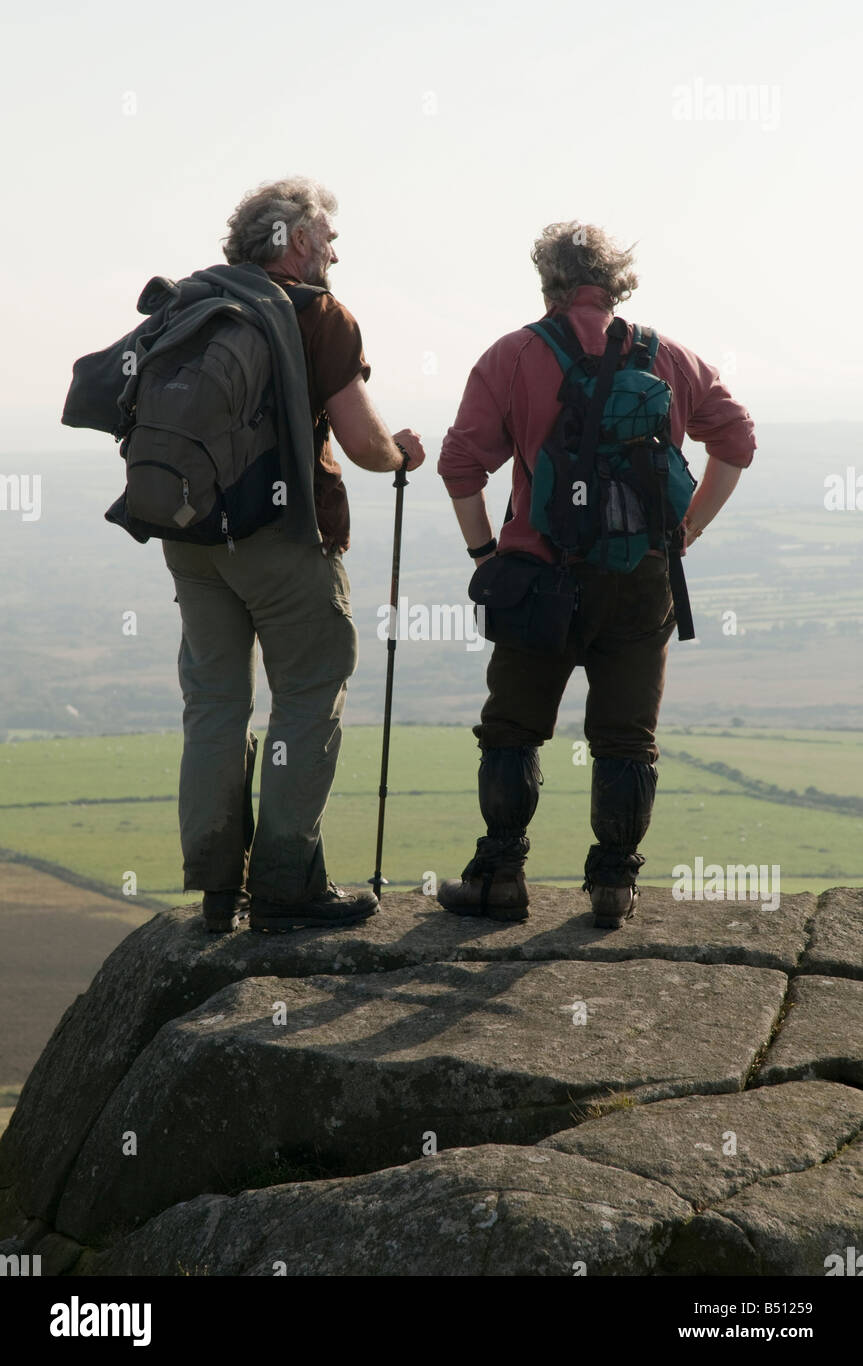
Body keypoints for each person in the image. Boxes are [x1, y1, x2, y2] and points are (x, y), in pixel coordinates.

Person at [435, 220, 754, 927]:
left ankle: (498, 880)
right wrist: (686, 531)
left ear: (547, 282)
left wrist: (484, 553)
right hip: (641, 575)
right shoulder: (669, 356)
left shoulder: (512, 355)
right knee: (625, 735)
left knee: (512, 728)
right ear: (616, 282)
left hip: (536, 575)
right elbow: (735, 443)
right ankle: (611, 888)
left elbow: (459, 466)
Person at [160, 177, 424, 933]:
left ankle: (216, 889)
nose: (335, 250)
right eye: (328, 238)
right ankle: (284, 886)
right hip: (279, 541)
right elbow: (364, 444)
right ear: (298, 241)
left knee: (214, 705)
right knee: (306, 700)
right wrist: (400, 455)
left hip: (193, 538)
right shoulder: (319, 314)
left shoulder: (193, 305)